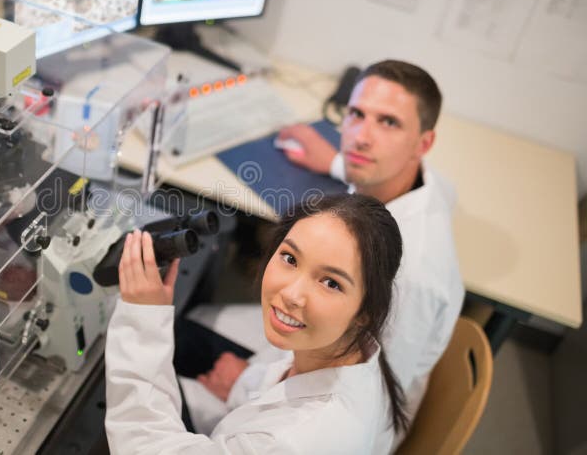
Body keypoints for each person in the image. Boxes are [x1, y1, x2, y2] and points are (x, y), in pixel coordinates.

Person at [105, 194, 407, 454]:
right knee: (179, 333)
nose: (291, 295)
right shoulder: (356, 353)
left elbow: (143, 447)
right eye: (290, 258)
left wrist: (140, 317)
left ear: (366, 311)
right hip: (247, 397)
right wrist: (243, 385)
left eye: (330, 282)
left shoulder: (289, 442)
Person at [275, 59, 465, 431]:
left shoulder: (407, 274)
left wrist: (257, 389)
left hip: (337, 417)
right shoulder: (429, 185)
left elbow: (368, 394)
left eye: (389, 122)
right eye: (356, 114)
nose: (361, 137)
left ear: (423, 143)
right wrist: (334, 162)